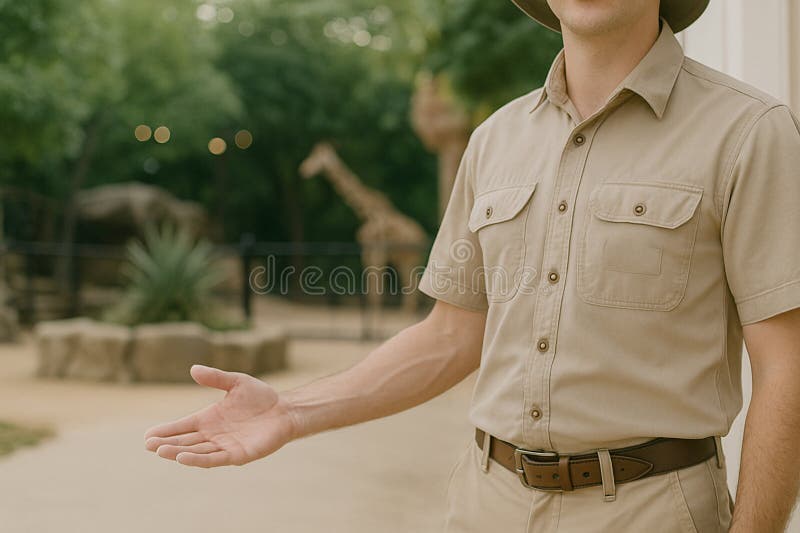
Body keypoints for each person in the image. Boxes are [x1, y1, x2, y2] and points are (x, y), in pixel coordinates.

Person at [144, 1, 800, 531]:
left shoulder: (749, 133)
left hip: (652, 513)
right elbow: (452, 334)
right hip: (485, 505)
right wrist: (291, 408)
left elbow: (786, 364)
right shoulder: (495, 141)